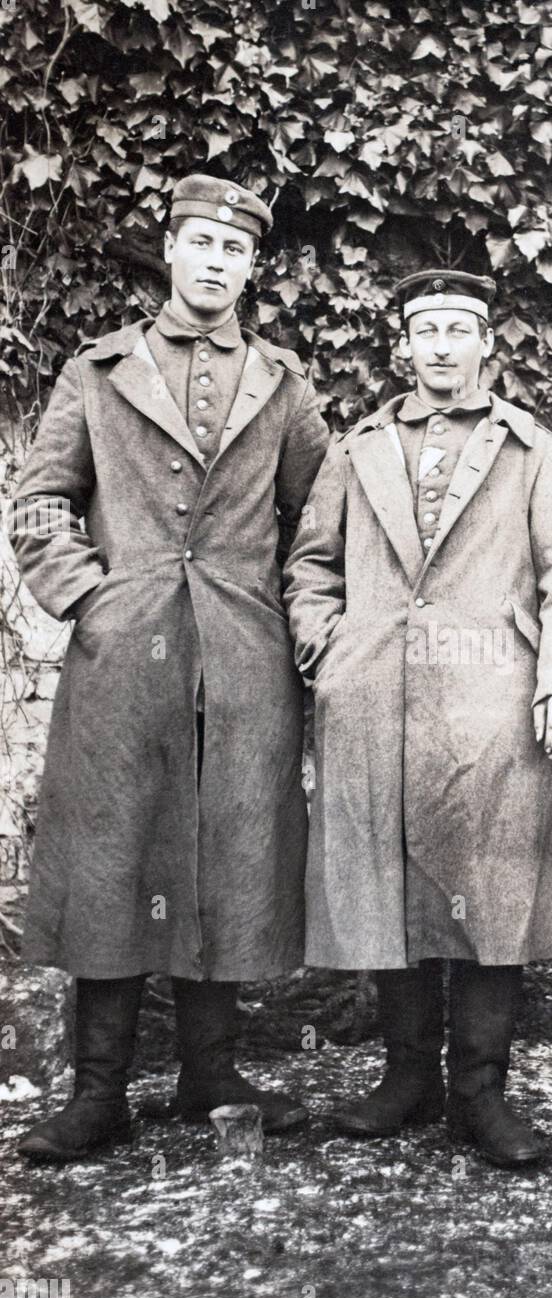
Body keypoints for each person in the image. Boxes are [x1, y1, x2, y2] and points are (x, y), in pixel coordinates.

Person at [12, 174, 329, 1160]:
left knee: (231, 852)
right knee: (113, 853)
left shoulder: (282, 382)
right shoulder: (98, 373)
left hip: (242, 659)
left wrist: (293, 616)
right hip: (125, 659)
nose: (215, 262)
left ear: (250, 267)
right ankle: (98, 1090)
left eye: (233, 250)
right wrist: (88, 598)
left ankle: (211, 1070)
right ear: (172, 249)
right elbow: (39, 500)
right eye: (199, 243)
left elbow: (319, 514)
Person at [284, 269, 552, 1167]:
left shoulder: (530, 451)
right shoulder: (356, 450)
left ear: (484, 343)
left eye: (457, 329)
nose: (439, 345)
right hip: (375, 703)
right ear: (403, 343)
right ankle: (405, 1080)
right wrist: (330, 652)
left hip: (489, 705)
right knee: (387, 889)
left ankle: (480, 1091)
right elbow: (310, 567)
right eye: (424, 328)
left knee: (490, 897)